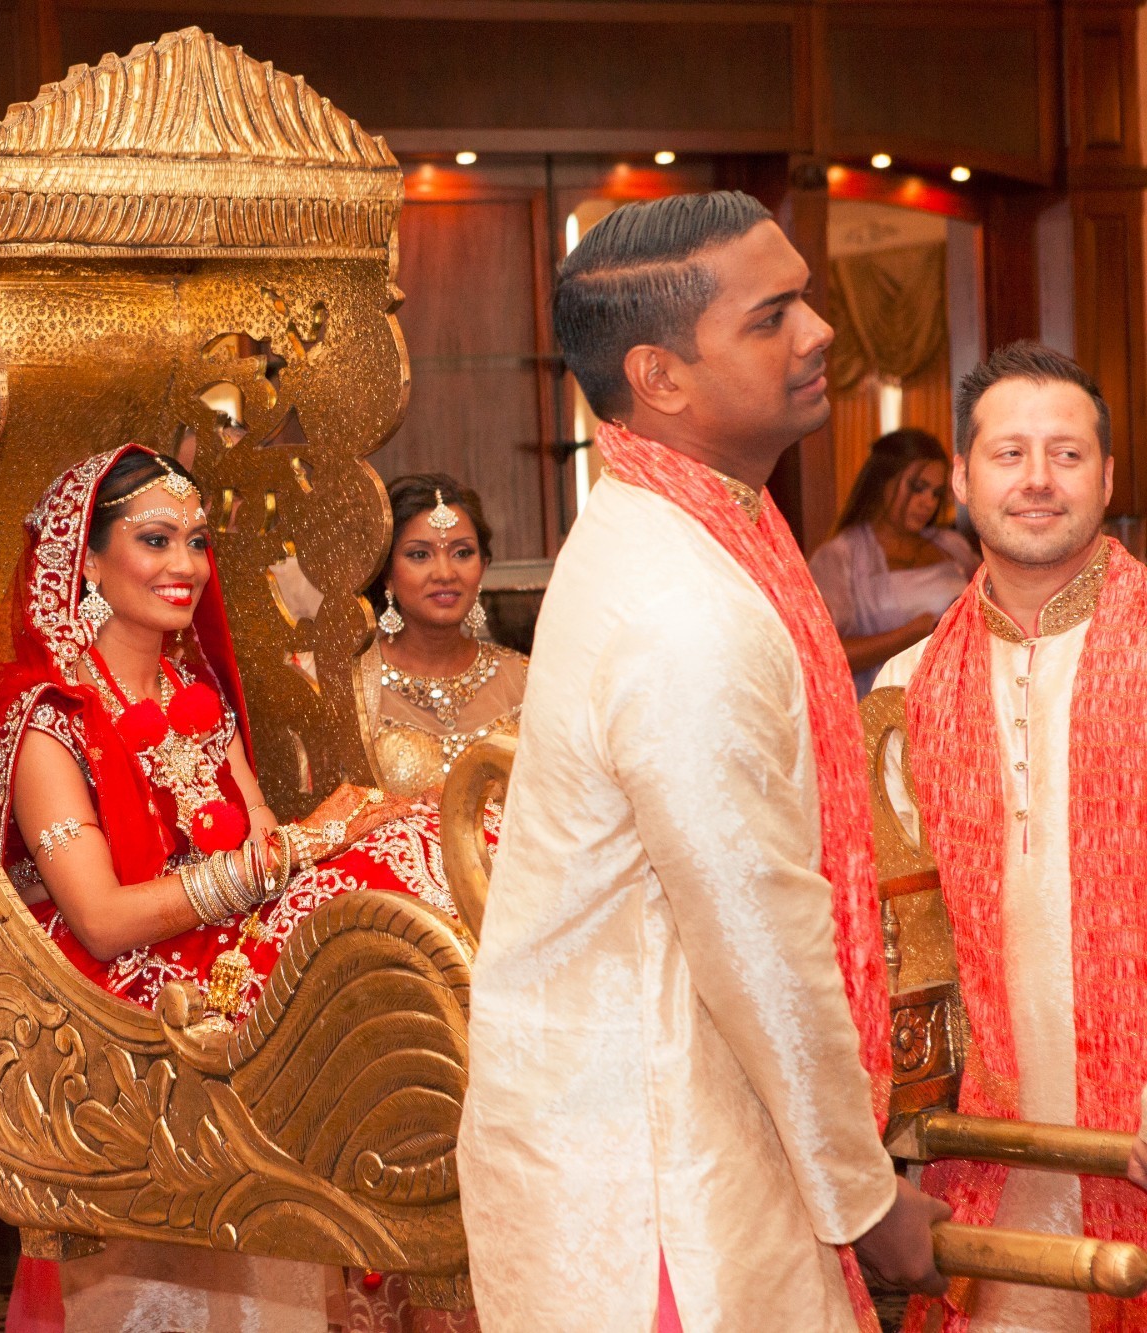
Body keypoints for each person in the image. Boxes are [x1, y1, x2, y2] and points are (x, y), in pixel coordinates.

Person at [457, 190, 949, 1332]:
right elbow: (756, 932)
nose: (819, 331)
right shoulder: (681, 604)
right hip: (657, 1175)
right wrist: (862, 1196)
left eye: (806, 300)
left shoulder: (679, 522)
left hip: (666, 1125)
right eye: (771, 315)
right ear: (659, 376)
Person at [0, 444, 451, 1331]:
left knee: (414, 846)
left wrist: (321, 845)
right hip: (116, 1012)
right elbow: (104, 919)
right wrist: (306, 848)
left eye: (196, 542)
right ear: (88, 557)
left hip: (224, 968)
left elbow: (266, 855)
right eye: (155, 540)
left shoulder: (199, 694)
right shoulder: (46, 714)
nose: (185, 566)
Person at [874, 342, 1147, 1333]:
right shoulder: (907, 688)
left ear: (1107, 478)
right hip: (991, 1150)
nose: (1035, 479)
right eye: (1007, 453)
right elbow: (894, 942)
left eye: (1065, 454)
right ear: (959, 477)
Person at [361, 473, 526, 801]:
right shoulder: (352, 685)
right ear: (386, 575)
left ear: (484, 566)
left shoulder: (524, 679)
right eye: (420, 555)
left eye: (462, 553)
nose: (445, 573)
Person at [809, 428, 979, 694]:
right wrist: (910, 634)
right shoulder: (840, 556)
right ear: (883, 480)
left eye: (935, 493)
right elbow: (822, 654)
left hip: (959, 693)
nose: (928, 502)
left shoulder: (951, 546)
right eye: (918, 488)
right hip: (888, 704)